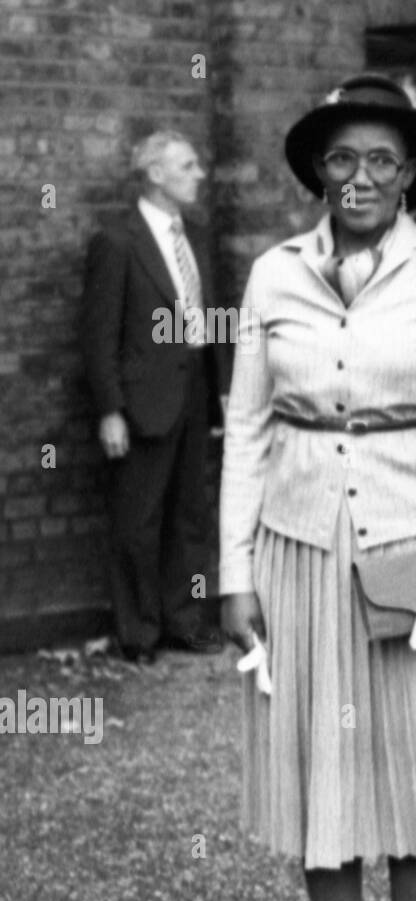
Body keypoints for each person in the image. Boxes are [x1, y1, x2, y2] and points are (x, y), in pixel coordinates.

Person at [219, 74, 416, 901]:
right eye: (342, 157)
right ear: (317, 168)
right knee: (324, 780)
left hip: (415, 553)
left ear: (410, 171)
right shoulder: (274, 276)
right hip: (301, 552)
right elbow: (245, 429)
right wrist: (235, 571)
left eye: (383, 159)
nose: (362, 176)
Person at [78, 130, 227, 665]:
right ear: (157, 175)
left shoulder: (196, 235)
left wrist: (219, 394)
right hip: (143, 402)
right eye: (188, 166)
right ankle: (138, 632)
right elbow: (98, 335)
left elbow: (206, 318)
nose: (199, 175)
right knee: (137, 521)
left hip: (193, 395)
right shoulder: (118, 241)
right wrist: (111, 410)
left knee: (190, 513)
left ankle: (183, 621)